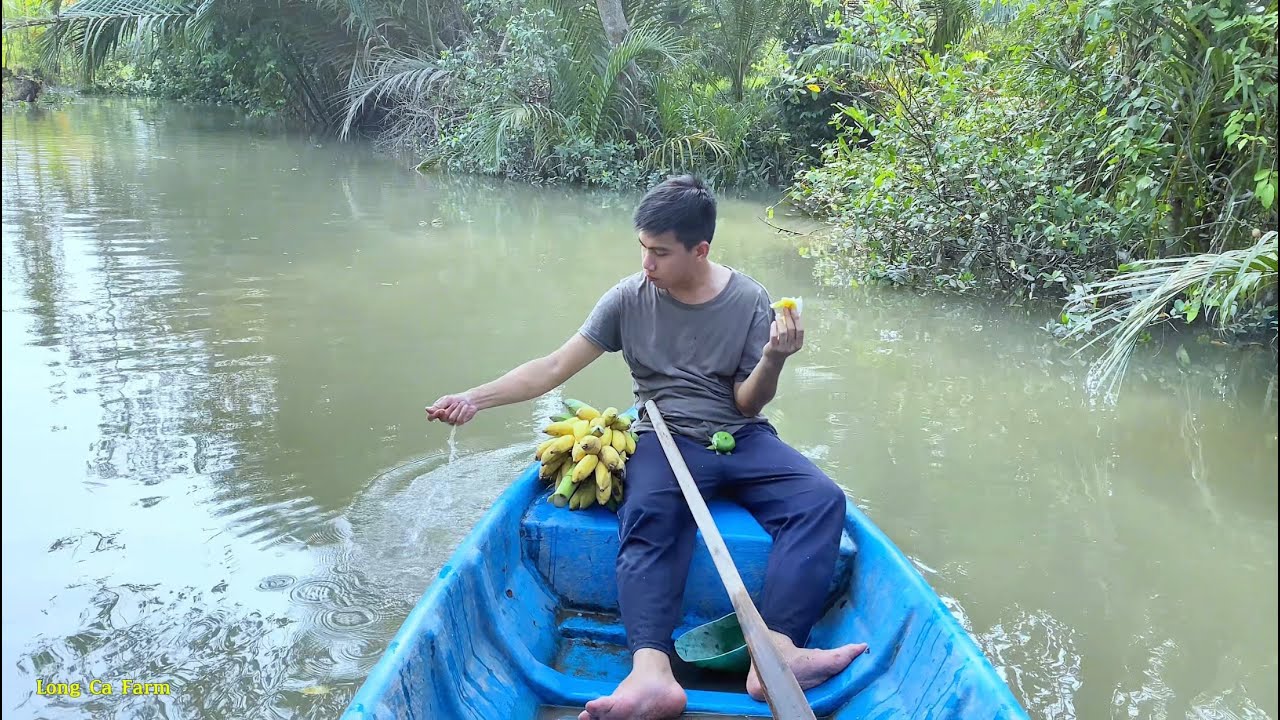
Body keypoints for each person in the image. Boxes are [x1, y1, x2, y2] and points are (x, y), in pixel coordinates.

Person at [426, 175, 867, 720]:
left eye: (659, 253)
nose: (646, 264)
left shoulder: (749, 299)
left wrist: (775, 357)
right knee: (650, 515)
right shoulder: (628, 299)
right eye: (642, 249)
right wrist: (475, 397)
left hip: (741, 434)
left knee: (820, 499)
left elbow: (748, 404)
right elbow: (553, 367)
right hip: (665, 433)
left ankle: (775, 652)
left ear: (699, 250)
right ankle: (652, 673)